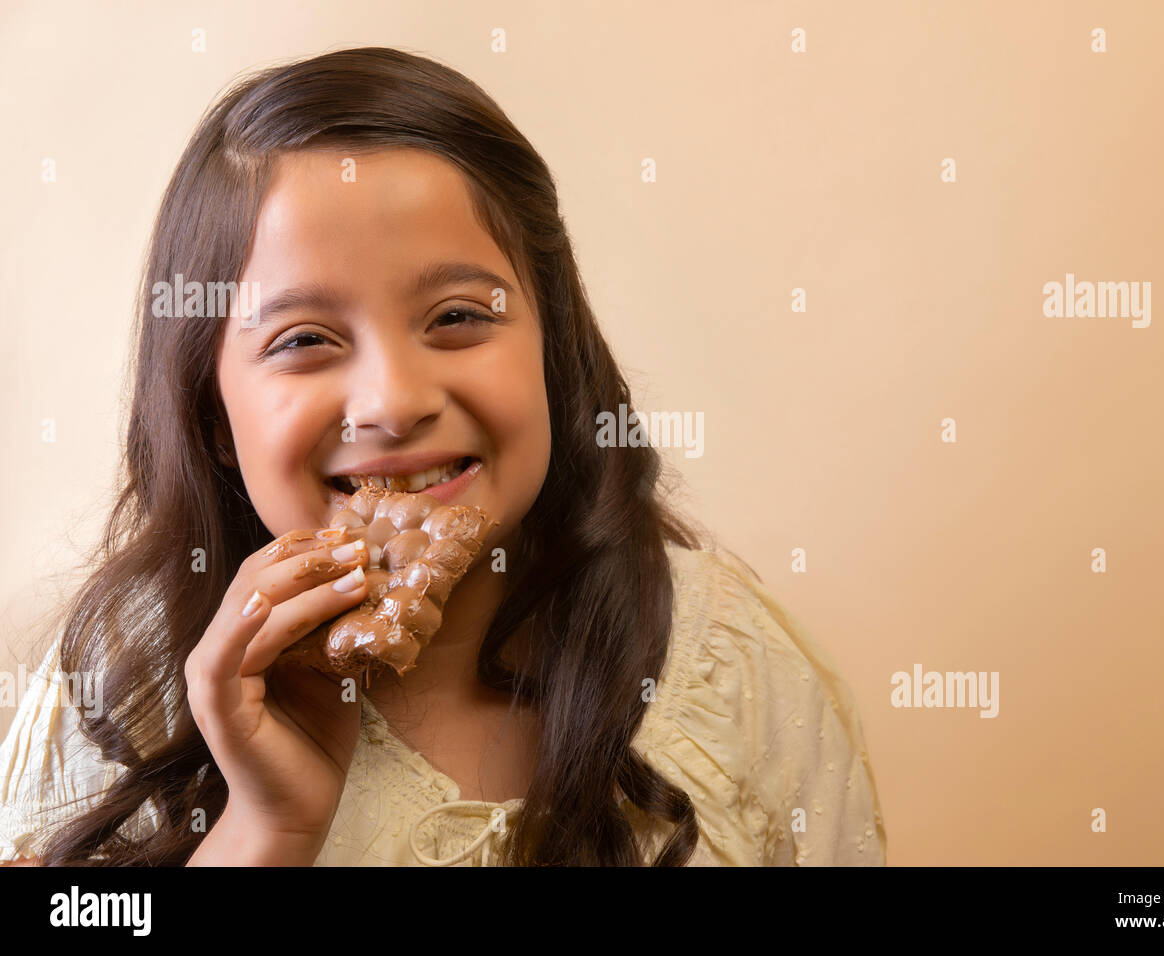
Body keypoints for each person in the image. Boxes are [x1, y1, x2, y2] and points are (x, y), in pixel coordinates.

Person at [0, 47, 886, 866]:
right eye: (305, 338)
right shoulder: (115, 691)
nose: (395, 401)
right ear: (216, 415)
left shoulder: (729, 666)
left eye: (458, 317)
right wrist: (264, 828)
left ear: (553, 349)